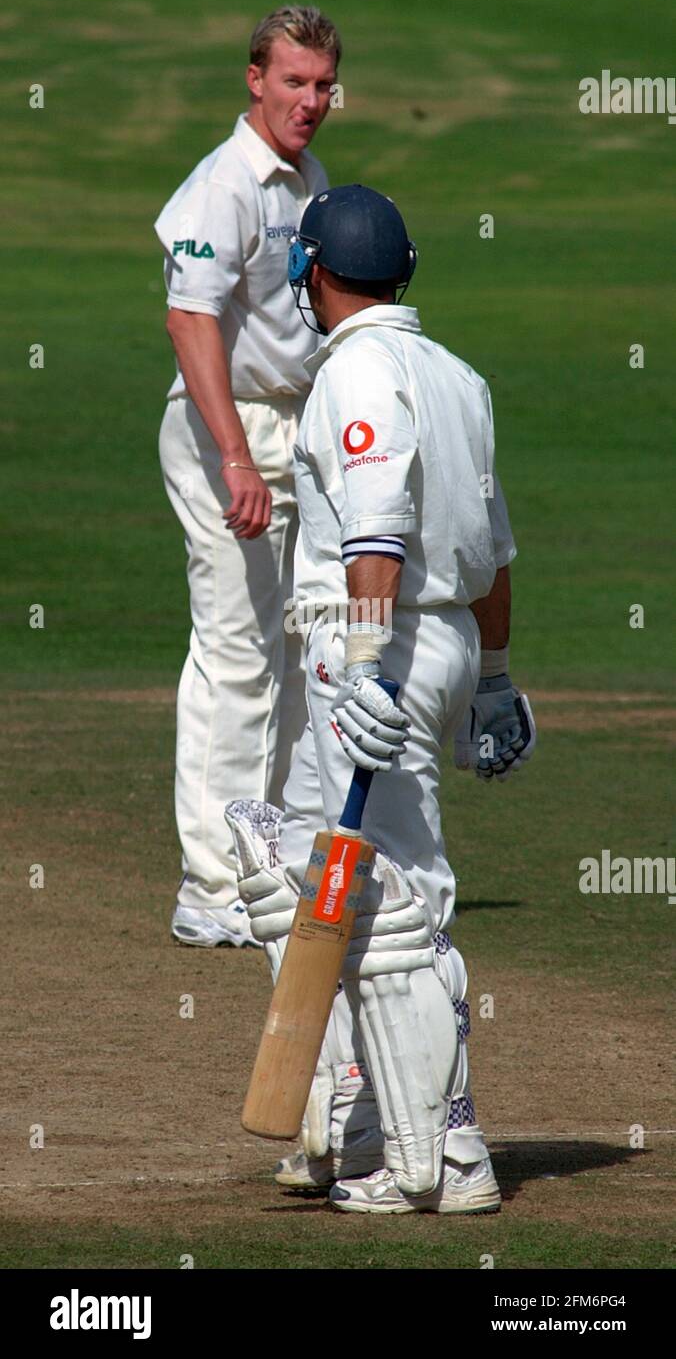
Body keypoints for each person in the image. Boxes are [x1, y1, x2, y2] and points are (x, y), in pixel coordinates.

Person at [227, 184, 536, 1213]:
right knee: (302, 867)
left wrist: (362, 669)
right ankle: (356, 1104)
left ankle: (444, 1154)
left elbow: (376, 534)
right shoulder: (457, 375)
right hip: (438, 637)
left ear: (312, 272)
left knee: (401, 899)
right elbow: (490, 552)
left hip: (373, 643)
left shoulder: (354, 373)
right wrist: (490, 681)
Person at [154, 6, 340, 947]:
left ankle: (272, 865)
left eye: (322, 85)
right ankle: (212, 887)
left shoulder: (307, 181)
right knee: (235, 655)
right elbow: (191, 321)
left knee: (301, 655)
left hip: (297, 434)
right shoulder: (225, 184)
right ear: (254, 80)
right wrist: (234, 454)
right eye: (293, 82)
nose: (309, 101)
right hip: (229, 432)